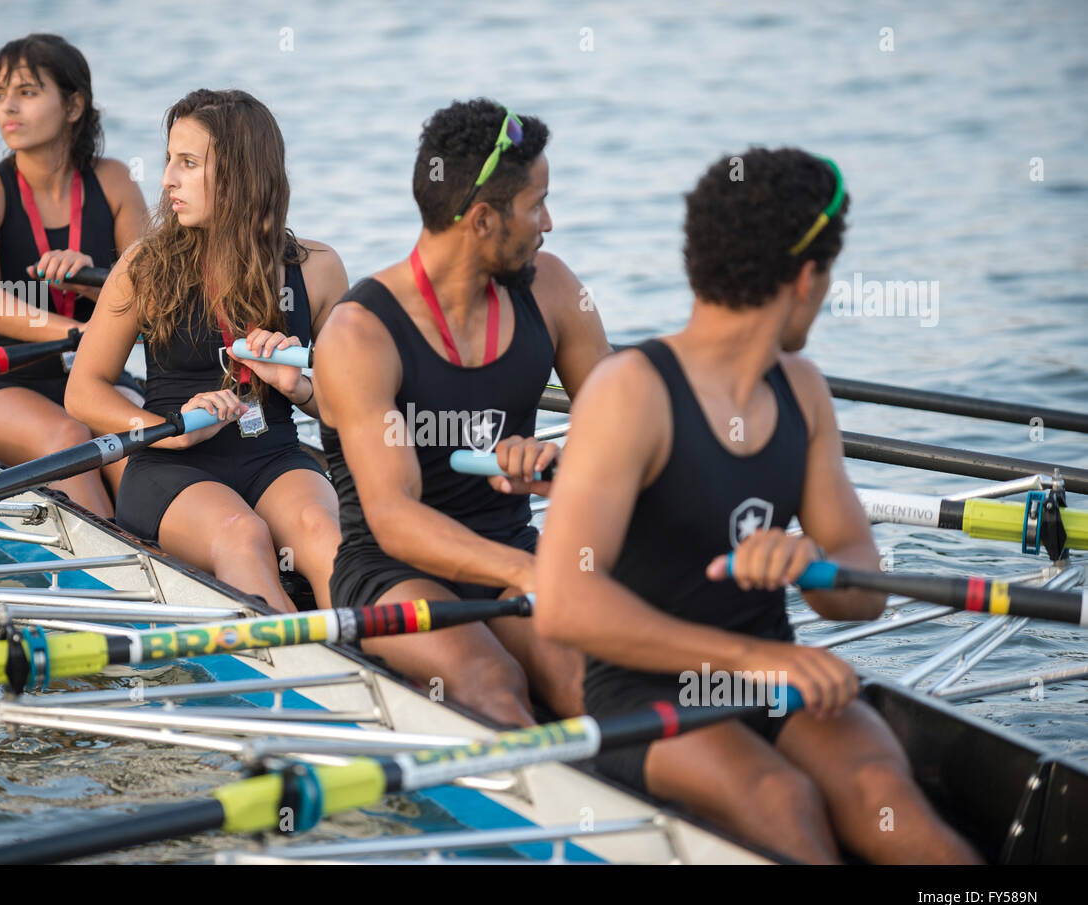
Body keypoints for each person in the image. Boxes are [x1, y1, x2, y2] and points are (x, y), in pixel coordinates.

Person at [534, 147, 980, 864]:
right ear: (806, 278)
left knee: (889, 800)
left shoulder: (802, 391)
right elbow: (564, 604)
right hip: (642, 695)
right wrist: (755, 658)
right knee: (781, 798)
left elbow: (861, 588)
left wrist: (814, 563)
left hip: (767, 680)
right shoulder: (631, 391)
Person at [314, 99, 611, 726]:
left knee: (594, 686)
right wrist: (529, 572)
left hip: (509, 549)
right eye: (536, 205)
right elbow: (394, 519)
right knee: (492, 683)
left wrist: (560, 463)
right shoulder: (360, 334)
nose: (549, 223)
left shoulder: (555, 289)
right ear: (481, 219)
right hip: (392, 572)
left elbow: (624, 439)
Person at [66, 90, 346, 612]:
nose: (167, 179)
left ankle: (371, 655)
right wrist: (168, 430)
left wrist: (299, 386)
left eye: (188, 163)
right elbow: (82, 392)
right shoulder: (144, 266)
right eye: (170, 159)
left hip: (275, 457)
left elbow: (344, 409)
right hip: (170, 468)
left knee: (325, 534)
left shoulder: (317, 268)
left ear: (242, 174)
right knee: (242, 533)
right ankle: (291, 654)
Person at [0, 33, 148, 517]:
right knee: (70, 439)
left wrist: (94, 284)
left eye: (27, 92)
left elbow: (151, 299)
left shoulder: (115, 181)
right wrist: (80, 332)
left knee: (138, 443)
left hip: (94, 374)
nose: (7, 108)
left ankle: (172, 546)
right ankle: (123, 553)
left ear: (74, 106)